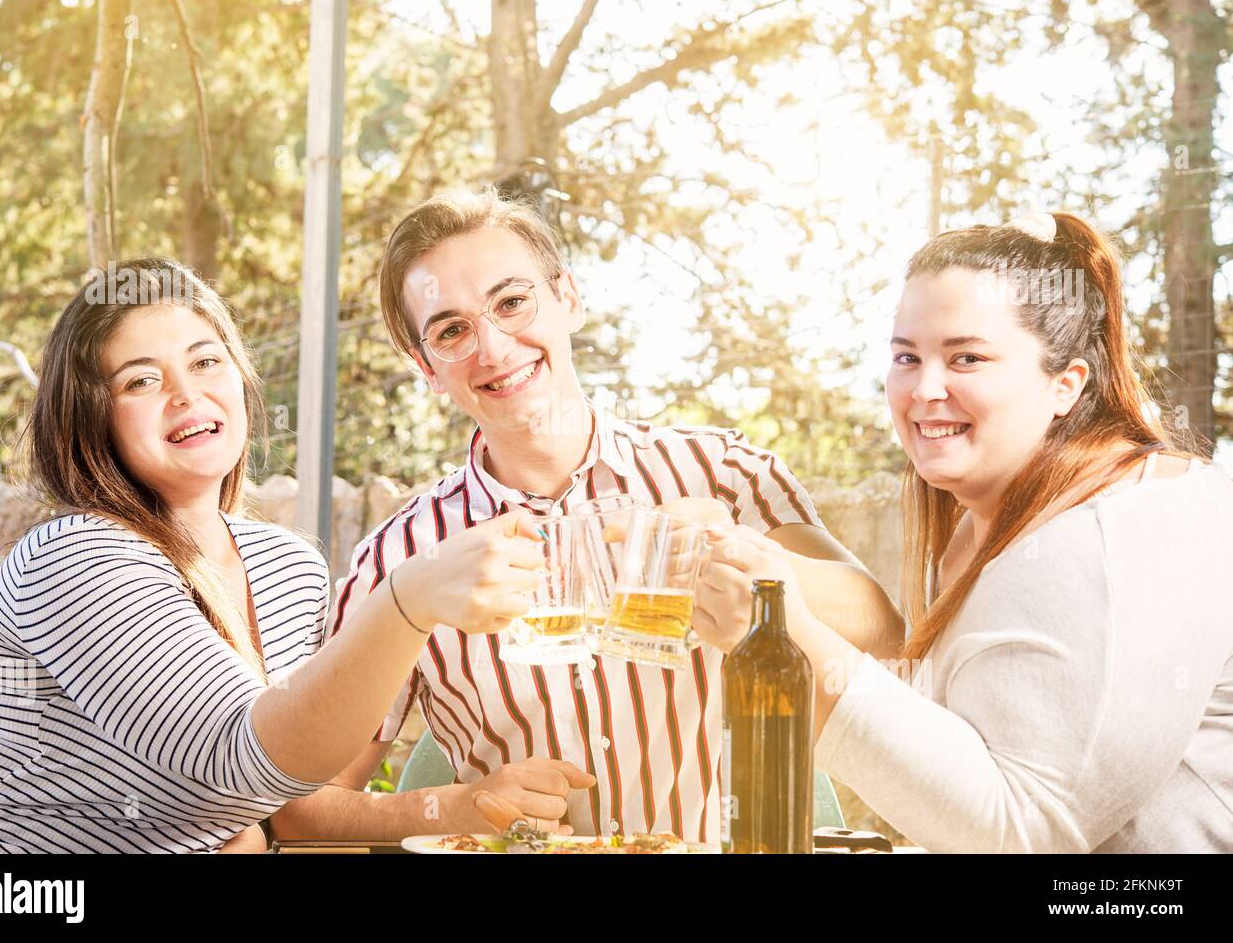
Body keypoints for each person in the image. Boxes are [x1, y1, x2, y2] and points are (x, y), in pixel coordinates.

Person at [268, 188, 904, 845]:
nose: (493, 346)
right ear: (426, 368)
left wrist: (739, 555)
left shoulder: (722, 471)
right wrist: (455, 807)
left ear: (567, 297)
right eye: (451, 330)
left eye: (512, 301)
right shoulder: (401, 558)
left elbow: (882, 622)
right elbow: (300, 806)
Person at [0, 259, 542, 853]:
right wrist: (407, 601)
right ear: (91, 416)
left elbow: (290, 800)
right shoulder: (73, 558)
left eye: (205, 362)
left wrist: (464, 807)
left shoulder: (290, 567)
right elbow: (241, 757)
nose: (185, 393)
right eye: (142, 381)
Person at [698, 211, 1233, 851]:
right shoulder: (984, 524)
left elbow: (1021, 833)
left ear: (1066, 385)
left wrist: (784, 643)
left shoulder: (1117, 534)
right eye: (907, 356)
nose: (924, 389)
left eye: (967, 358)